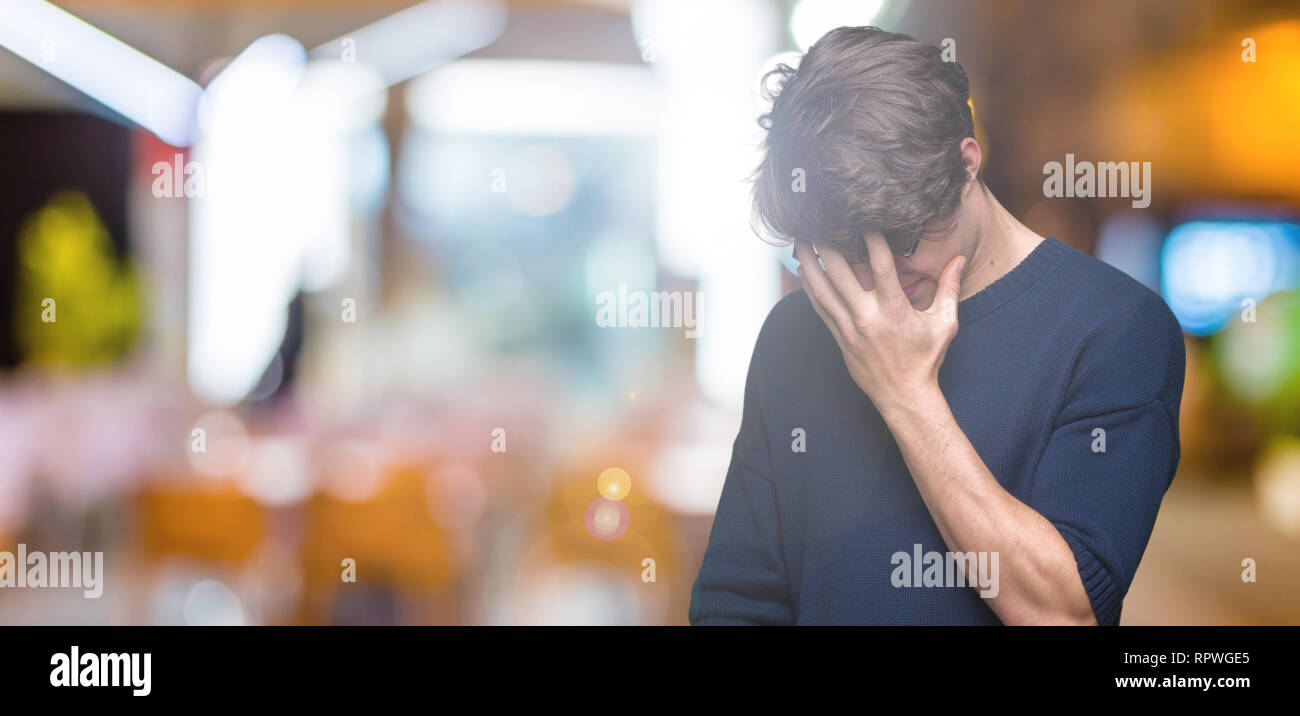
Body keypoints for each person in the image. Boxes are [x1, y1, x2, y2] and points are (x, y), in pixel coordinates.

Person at [689, 26, 1185, 625]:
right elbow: (735, 601)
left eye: (901, 239)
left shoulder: (1117, 330)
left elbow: (1062, 612)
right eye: (847, 252)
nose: (880, 279)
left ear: (966, 165)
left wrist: (905, 392)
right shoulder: (795, 334)